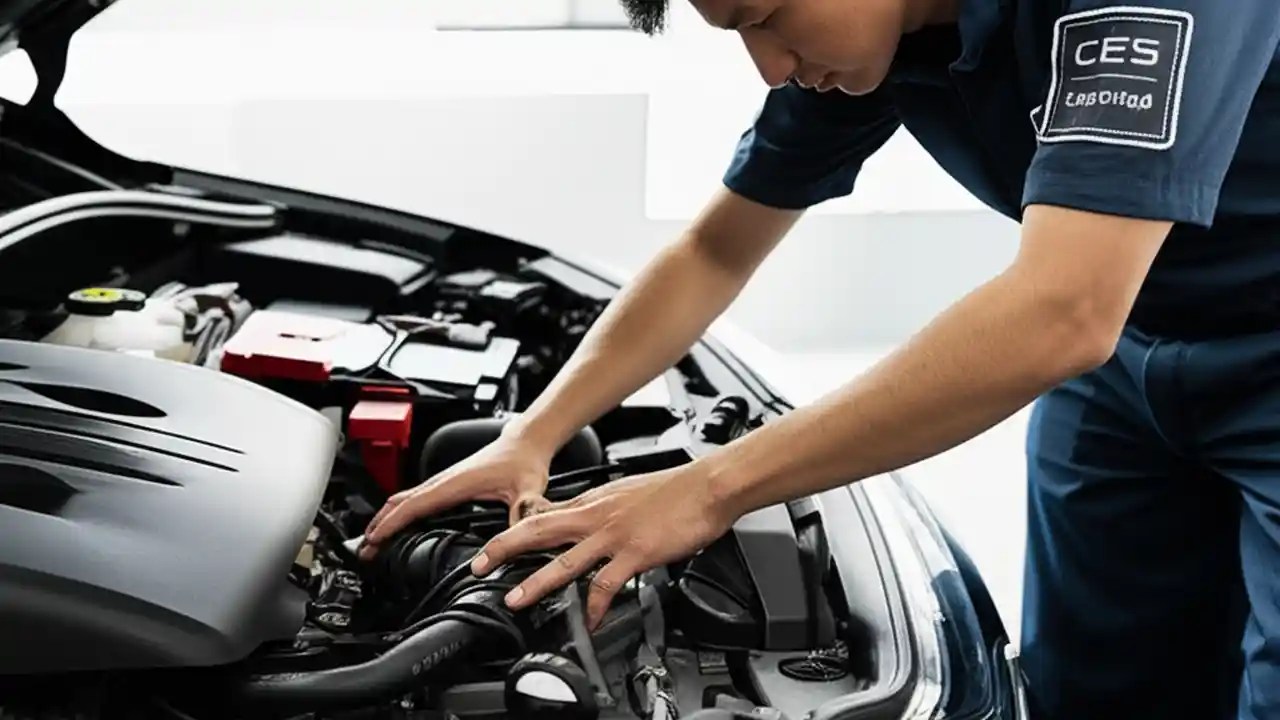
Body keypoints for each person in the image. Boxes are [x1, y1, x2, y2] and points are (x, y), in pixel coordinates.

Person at [361, 0, 1280, 717]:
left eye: (766, 16)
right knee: (1094, 690)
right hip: (1126, 367)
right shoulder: (881, 36)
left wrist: (707, 487)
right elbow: (718, 248)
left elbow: (1061, 311)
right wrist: (536, 431)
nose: (769, 65)